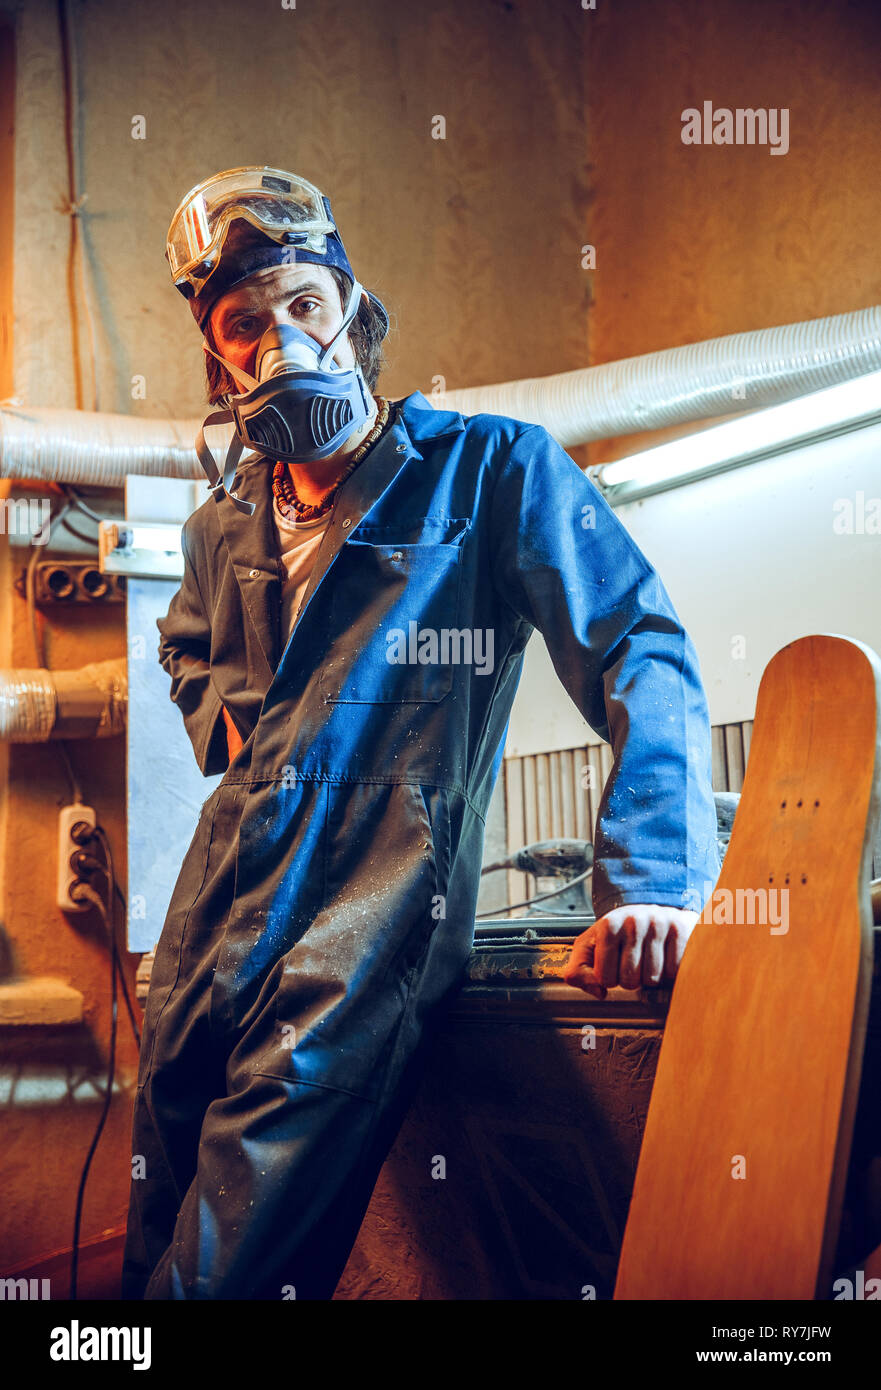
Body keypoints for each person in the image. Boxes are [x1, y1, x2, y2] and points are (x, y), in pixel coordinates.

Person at [122, 166, 721, 1300]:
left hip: (368, 923)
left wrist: (651, 878)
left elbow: (639, 639)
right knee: (148, 1235)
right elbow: (184, 648)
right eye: (243, 324)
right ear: (219, 364)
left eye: (302, 304)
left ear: (355, 313)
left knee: (217, 1274)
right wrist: (239, 730)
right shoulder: (220, 526)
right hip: (211, 915)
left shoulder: (490, 471)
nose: (279, 338)